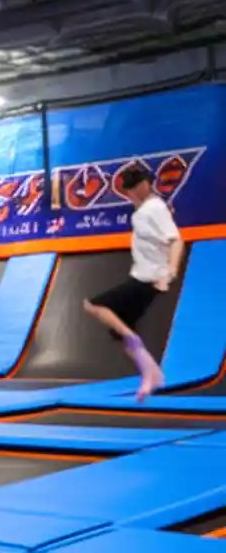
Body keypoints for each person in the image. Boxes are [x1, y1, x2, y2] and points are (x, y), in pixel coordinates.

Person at [82, 165, 184, 401]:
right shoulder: (143, 211)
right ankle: (152, 376)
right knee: (125, 338)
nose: (128, 195)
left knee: (95, 305)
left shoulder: (154, 209)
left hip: (148, 278)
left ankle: (134, 340)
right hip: (141, 276)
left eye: (131, 190)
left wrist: (170, 272)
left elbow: (176, 241)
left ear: (143, 186)